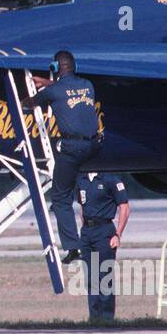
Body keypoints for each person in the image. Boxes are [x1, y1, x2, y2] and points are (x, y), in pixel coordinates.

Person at [25, 51, 103, 264]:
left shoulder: (55, 91)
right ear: (74, 67)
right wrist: (50, 83)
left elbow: (30, 103)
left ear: (54, 68)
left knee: (60, 198)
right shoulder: (88, 85)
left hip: (73, 148)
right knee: (80, 187)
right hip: (94, 146)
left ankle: (73, 248)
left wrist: (28, 96)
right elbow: (67, 91)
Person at [77, 171, 130, 322]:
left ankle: (107, 317)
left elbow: (125, 208)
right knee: (90, 276)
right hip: (87, 231)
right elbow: (82, 207)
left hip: (104, 230)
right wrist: (85, 229)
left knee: (104, 276)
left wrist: (118, 234)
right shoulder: (81, 180)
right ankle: (94, 317)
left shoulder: (111, 179)